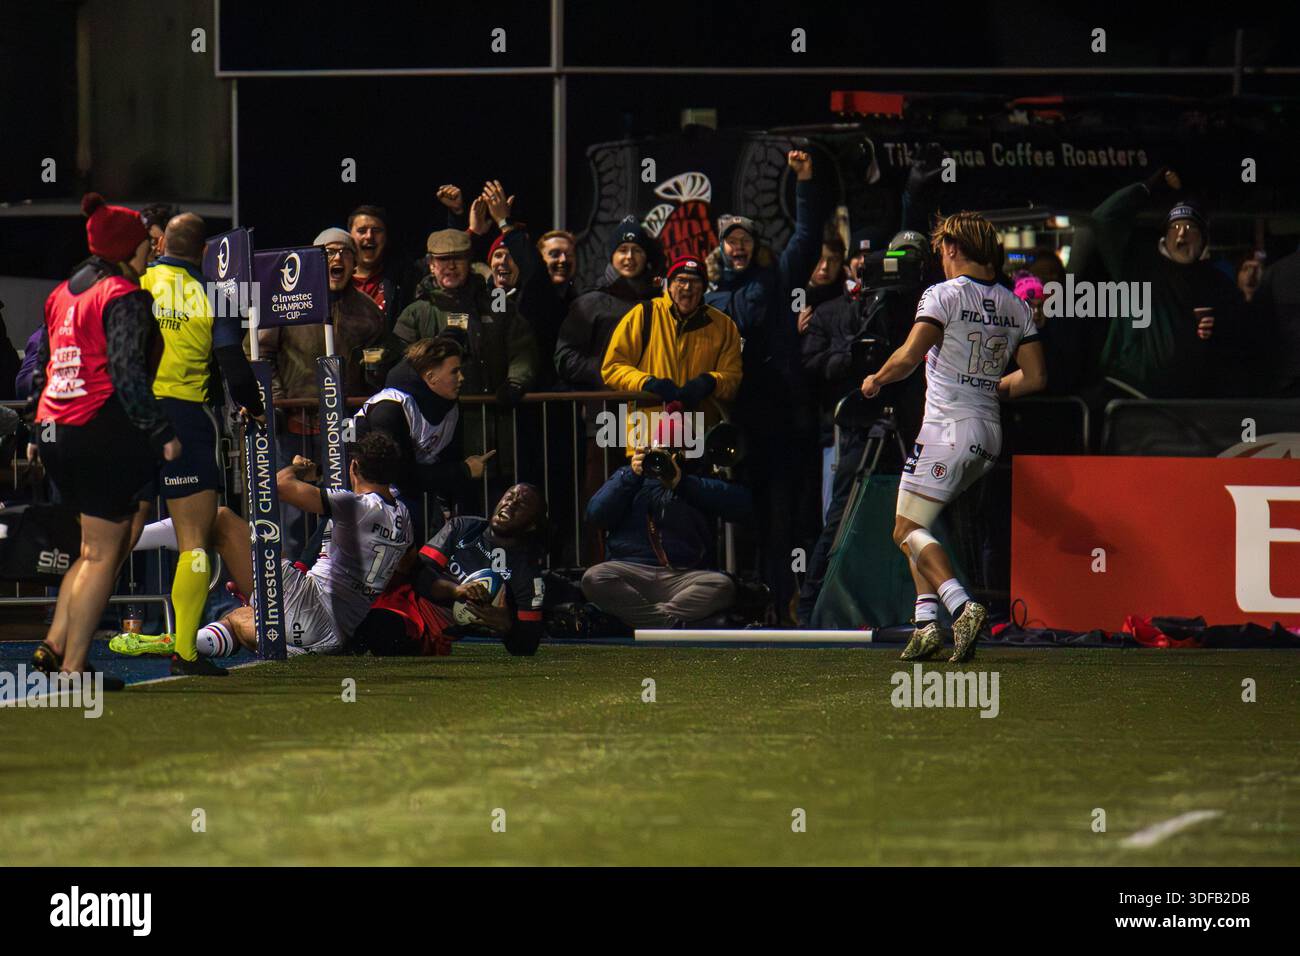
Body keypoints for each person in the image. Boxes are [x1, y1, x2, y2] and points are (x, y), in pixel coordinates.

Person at [860, 211, 1045, 663]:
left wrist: (876, 380)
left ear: (954, 250)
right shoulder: (1016, 304)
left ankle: (960, 606)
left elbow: (908, 356)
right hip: (988, 432)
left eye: (943, 251)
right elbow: (1037, 377)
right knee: (915, 523)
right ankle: (926, 624)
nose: (941, 260)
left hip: (947, 429)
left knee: (905, 529)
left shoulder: (943, 295)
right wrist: (993, 386)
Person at [25, 193, 180, 687]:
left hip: (56, 429)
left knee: (89, 549)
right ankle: (73, 669)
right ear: (123, 248)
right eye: (142, 245)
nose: (148, 252)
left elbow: (43, 369)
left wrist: (34, 426)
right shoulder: (122, 295)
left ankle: (55, 643)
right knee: (101, 552)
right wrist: (161, 432)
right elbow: (127, 372)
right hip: (98, 428)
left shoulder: (60, 295)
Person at [114, 432, 412, 657]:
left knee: (222, 520)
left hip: (313, 604)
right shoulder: (403, 514)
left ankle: (123, 541)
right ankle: (180, 642)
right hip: (333, 632)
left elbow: (279, 485)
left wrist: (296, 469)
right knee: (237, 618)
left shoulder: (356, 506)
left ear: (354, 466)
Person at [132, 211, 265, 675]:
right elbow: (231, 360)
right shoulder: (214, 294)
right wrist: (254, 404)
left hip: (131, 417)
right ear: (205, 251)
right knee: (194, 544)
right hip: (186, 420)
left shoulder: (137, 281)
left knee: (111, 540)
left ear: (161, 241)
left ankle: (69, 645)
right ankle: (185, 652)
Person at [705, 149, 822, 625]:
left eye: (745, 239)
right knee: (738, 519)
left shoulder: (775, 279)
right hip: (730, 423)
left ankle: (781, 607)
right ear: (720, 248)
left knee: (780, 523)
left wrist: (805, 182)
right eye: (730, 240)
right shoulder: (709, 295)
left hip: (776, 422)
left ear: (754, 245)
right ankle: (740, 605)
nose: (738, 246)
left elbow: (807, 237)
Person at [392, 227, 538, 498]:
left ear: (469, 263)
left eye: (457, 259)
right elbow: (400, 367)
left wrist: (516, 382)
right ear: (431, 265)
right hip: (436, 432)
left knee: (496, 501)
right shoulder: (416, 312)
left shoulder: (496, 304)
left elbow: (522, 349)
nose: (450, 266)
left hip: (492, 427)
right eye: (443, 260)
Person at [582, 422, 752, 630]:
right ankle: (667, 625)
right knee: (595, 577)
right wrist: (631, 477)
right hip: (632, 574)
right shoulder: (629, 476)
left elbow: (742, 506)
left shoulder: (697, 481)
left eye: (673, 451)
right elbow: (595, 515)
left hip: (682, 578)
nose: (665, 459)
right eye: (661, 451)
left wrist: (681, 482)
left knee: (722, 586)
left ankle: (642, 622)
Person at [1091, 168, 1242, 398]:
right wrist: (1146, 188)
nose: (1181, 235)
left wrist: (1220, 328)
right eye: (1175, 227)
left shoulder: (1218, 284)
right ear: (1165, 235)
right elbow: (1103, 218)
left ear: (1203, 240)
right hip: (1131, 395)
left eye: (1190, 228)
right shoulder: (1136, 269)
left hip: (1191, 407)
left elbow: (1239, 343)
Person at [354, 484, 548, 657]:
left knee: (380, 630)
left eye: (521, 504)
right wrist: (455, 591)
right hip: (403, 600)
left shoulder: (528, 573)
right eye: (509, 497)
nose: (510, 504)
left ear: (531, 525)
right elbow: (418, 572)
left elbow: (529, 644)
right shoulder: (464, 527)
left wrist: (507, 626)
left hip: (429, 632)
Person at [349, 336, 496, 538]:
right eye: (454, 371)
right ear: (430, 377)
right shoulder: (391, 409)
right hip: (370, 496)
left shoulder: (451, 406)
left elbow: (447, 459)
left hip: (410, 494)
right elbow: (403, 477)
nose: (461, 378)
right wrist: (464, 470)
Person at [601, 255, 742, 453]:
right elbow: (612, 367)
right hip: (647, 438)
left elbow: (733, 378)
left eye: (694, 281)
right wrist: (647, 382)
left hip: (700, 436)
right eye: (681, 280)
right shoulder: (643, 313)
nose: (687, 287)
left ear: (703, 288)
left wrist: (710, 381)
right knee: (650, 484)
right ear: (669, 285)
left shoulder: (724, 325)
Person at [348, 204, 402, 321]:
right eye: (362, 231)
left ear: (386, 237)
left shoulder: (403, 278)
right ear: (349, 237)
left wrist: (453, 213)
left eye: (376, 230)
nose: (369, 236)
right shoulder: (335, 281)